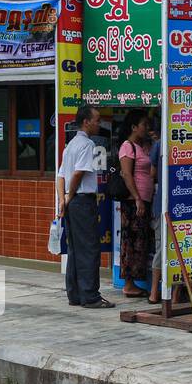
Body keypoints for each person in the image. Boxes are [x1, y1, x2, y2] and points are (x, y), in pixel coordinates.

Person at [58, 105, 113, 308]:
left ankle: (75, 294)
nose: (99, 123)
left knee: (75, 248)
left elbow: (60, 175)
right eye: (97, 120)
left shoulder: (71, 145)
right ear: (86, 122)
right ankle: (90, 296)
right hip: (81, 200)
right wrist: (70, 196)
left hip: (73, 201)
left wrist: (63, 199)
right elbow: (78, 174)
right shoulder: (87, 144)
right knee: (89, 248)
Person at [118, 111, 155, 298]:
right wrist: (137, 198)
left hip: (145, 200)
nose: (146, 128)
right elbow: (127, 175)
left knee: (141, 240)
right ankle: (128, 283)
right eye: (144, 125)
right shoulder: (127, 147)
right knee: (131, 241)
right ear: (134, 127)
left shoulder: (145, 146)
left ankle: (134, 281)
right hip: (134, 202)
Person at [148, 131, 164, 304]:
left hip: (162, 202)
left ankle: (154, 292)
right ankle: (174, 295)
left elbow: (152, 173)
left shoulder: (158, 145)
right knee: (181, 247)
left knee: (160, 246)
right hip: (187, 201)